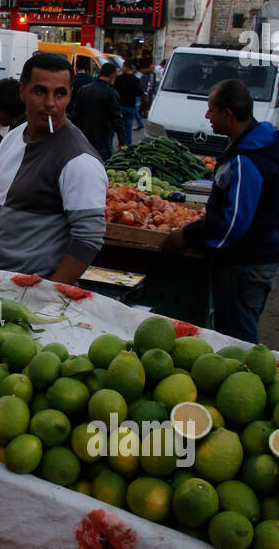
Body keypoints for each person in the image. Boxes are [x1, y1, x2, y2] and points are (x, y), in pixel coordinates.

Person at [164, 79, 279, 342]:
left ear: (228, 114)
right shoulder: (255, 144)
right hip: (257, 256)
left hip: (244, 264)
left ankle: (247, 380)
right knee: (237, 331)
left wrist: (190, 235)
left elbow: (232, 224)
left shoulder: (248, 158)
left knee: (237, 339)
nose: (207, 116)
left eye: (211, 110)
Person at [0, 53, 108, 283]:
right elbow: (0, 205)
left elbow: (88, 239)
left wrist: (48, 293)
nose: (50, 103)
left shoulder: (79, 161)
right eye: (40, 91)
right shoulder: (12, 139)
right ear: (23, 92)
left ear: (70, 97)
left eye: (60, 93)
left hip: (36, 292)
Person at [70, 61, 125, 161]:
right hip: (101, 137)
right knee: (100, 164)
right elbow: (117, 118)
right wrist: (122, 141)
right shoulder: (111, 92)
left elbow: (75, 114)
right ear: (112, 75)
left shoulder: (84, 89)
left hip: (83, 135)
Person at [114, 60, 143, 145]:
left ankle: (121, 143)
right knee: (128, 126)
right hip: (130, 105)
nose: (122, 68)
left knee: (119, 126)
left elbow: (114, 91)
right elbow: (139, 92)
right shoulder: (136, 79)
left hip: (120, 105)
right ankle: (128, 144)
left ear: (126, 67)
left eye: (123, 66)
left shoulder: (119, 78)